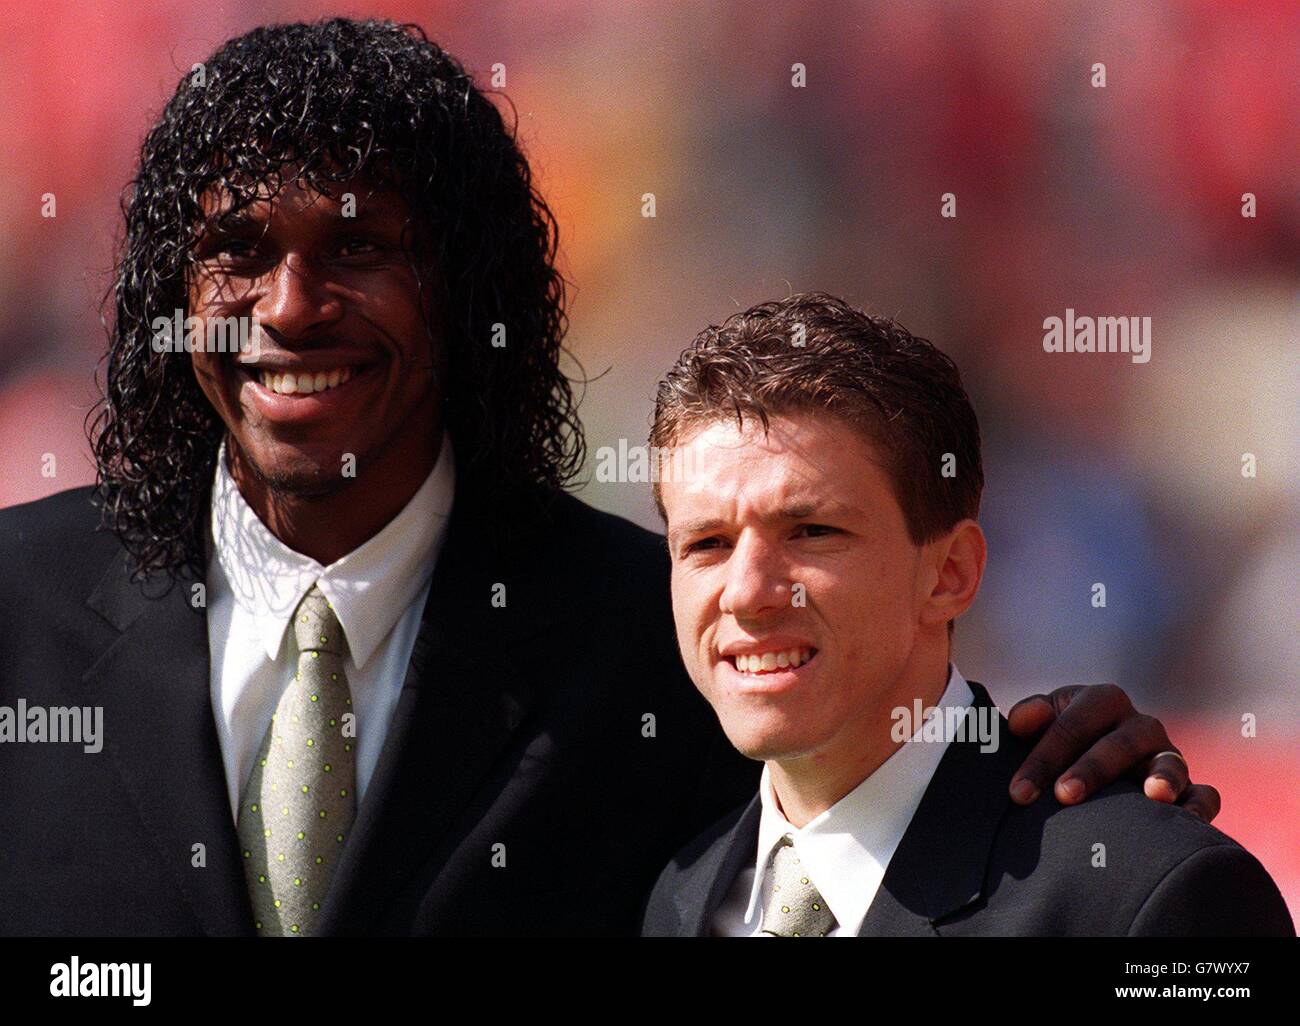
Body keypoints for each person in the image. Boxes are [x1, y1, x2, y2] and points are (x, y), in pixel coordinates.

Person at [0, 19, 1223, 938]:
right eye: (236, 252)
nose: (291, 308)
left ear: (466, 292)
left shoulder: (658, 637)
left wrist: (1072, 778)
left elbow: (880, 798)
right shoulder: (16, 613)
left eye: (361, 249)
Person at [640, 293, 1293, 937]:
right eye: (707, 544)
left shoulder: (1147, 895)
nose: (748, 592)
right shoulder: (680, 898)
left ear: (951, 572)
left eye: (811, 531)